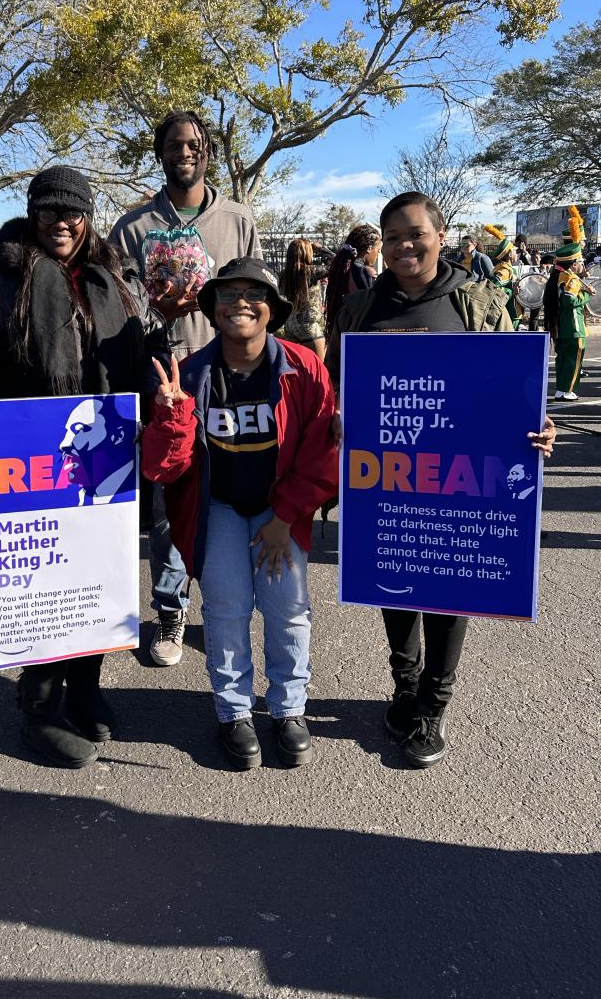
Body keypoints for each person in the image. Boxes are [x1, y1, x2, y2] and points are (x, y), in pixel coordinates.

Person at [326, 192, 556, 768]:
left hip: (458, 481)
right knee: (395, 587)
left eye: (415, 234)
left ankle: (433, 703)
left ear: (441, 233)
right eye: (393, 236)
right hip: (386, 481)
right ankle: (404, 688)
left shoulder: (477, 301)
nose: (404, 246)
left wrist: (539, 426)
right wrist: (335, 420)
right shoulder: (359, 308)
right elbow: (336, 384)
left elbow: (518, 389)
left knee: (449, 594)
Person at [0, 165, 168, 769]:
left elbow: (135, 353)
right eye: (49, 211)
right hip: (30, 458)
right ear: (33, 214)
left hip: (105, 451)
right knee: (44, 582)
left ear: (88, 217)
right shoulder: (1, 282)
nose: (62, 222)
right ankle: (40, 706)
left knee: (95, 578)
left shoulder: (112, 276)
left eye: (73, 212)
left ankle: (85, 688)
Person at [142, 257, 338, 769]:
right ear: (211, 310)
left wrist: (283, 517)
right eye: (227, 295)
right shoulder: (193, 373)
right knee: (226, 612)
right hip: (220, 510)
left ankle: (288, 709)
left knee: (288, 610)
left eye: (254, 294)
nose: (240, 304)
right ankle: (233, 713)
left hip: (281, 511)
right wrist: (171, 414)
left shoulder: (304, 368)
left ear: (272, 310)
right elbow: (166, 469)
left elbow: (323, 453)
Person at [108, 111, 261, 668]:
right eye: (173, 145)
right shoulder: (133, 227)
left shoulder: (239, 220)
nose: (184, 152)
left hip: (228, 376)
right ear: (160, 153)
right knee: (168, 501)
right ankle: (170, 610)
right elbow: (116, 308)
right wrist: (157, 310)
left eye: (194, 144)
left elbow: (257, 298)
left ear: (208, 151)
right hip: (162, 377)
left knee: (234, 490)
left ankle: (230, 605)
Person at [543, 209, 592, 401]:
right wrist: (586, 296)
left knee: (563, 360)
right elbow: (570, 300)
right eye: (579, 261)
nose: (582, 264)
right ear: (572, 264)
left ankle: (561, 389)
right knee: (573, 361)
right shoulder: (571, 279)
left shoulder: (561, 276)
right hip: (574, 328)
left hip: (563, 327)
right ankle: (567, 390)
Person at [323, 224, 382, 337]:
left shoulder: (342, 269)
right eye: (378, 250)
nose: (378, 254)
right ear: (369, 249)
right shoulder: (366, 272)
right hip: (362, 332)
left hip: (342, 328)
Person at [280, 238, 326, 360]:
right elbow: (337, 263)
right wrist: (320, 249)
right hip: (310, 327)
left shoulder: (283, 275)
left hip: (290, 327)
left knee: (293, 372)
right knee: (317, 372)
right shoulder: (312, 271)